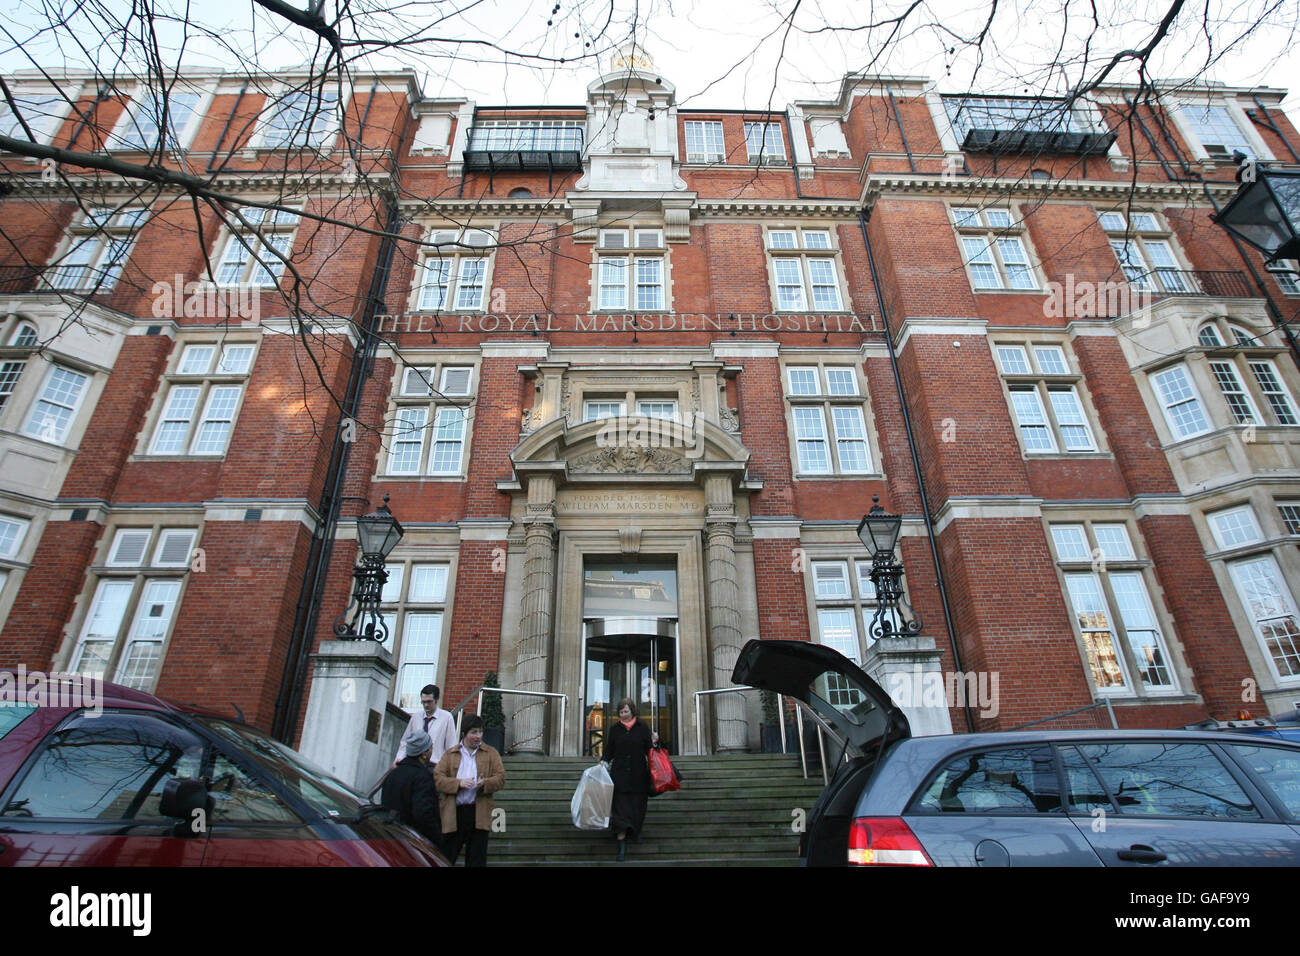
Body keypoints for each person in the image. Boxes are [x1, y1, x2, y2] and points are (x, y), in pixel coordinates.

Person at [434, 714, 505, 866]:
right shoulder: (450, 754)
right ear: (464, 734)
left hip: (479, 813)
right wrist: (458, 783)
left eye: (480, 732)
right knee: (446, 857)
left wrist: (485, 783)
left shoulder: (491, 753)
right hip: (454, 813)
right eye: (474, 732)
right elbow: (438, 779)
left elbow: (500, 778)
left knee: (476, 860)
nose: (478, 736)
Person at [602, 697, 657, 862]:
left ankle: (636, 830)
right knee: (619, 810)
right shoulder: (615, 729)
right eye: (620, 712)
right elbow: (609, 749)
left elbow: (650, 749)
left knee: (638, 806)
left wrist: (655, 742)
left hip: (638, 775)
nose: (623, 715)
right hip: (619, 776)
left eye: (626, 711)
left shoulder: (642, 728)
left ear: (632, 711)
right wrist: (604, 761)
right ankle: (621, 844)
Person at [379, 729, 443, 848]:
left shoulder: (393, 774)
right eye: (430, 748)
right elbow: (423, 814)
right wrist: (437, 838)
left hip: (392, 837)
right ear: (424, 754)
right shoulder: (423, 777)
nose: (432, 751)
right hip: (414, 842)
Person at [395, 684, 457, 766]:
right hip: (414, 764)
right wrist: (399, 758)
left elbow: (451, 746)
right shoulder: (416, 717)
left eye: (429, 702)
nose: (426, 705)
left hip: (434, 765)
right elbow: (405, 742)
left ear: (436, 700)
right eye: (423, 702)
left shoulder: (446, 717)